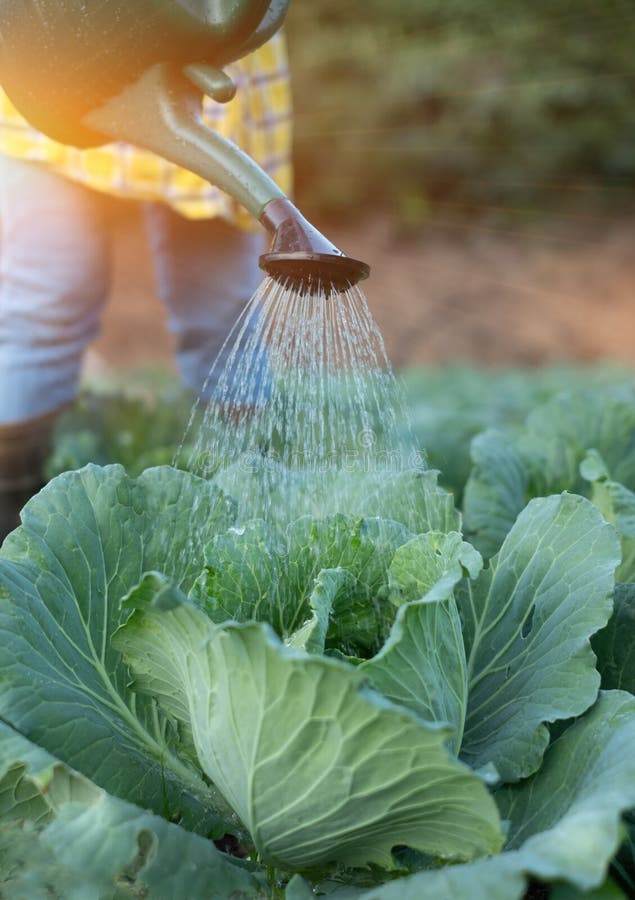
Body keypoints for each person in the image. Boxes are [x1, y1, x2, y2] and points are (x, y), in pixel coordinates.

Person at [0, 30, 292, 540]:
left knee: (222, 310)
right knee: (44, 297)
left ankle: (248, 521)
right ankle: (13, 524)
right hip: (54, 59)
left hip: (203, 54)